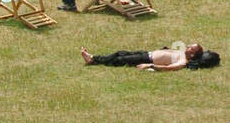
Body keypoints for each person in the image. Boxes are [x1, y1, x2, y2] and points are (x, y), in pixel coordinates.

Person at [81, 43, 219, 71]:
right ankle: (94, 58)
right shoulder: (182, 52)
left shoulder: (183, 61)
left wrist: (150, 65)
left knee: (119, 60)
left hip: (147, 59)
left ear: (193, 53)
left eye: (191, 47)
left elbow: (170, 68)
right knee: (121, 53)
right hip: (147, 53)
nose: (188, 46)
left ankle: (92, 59)